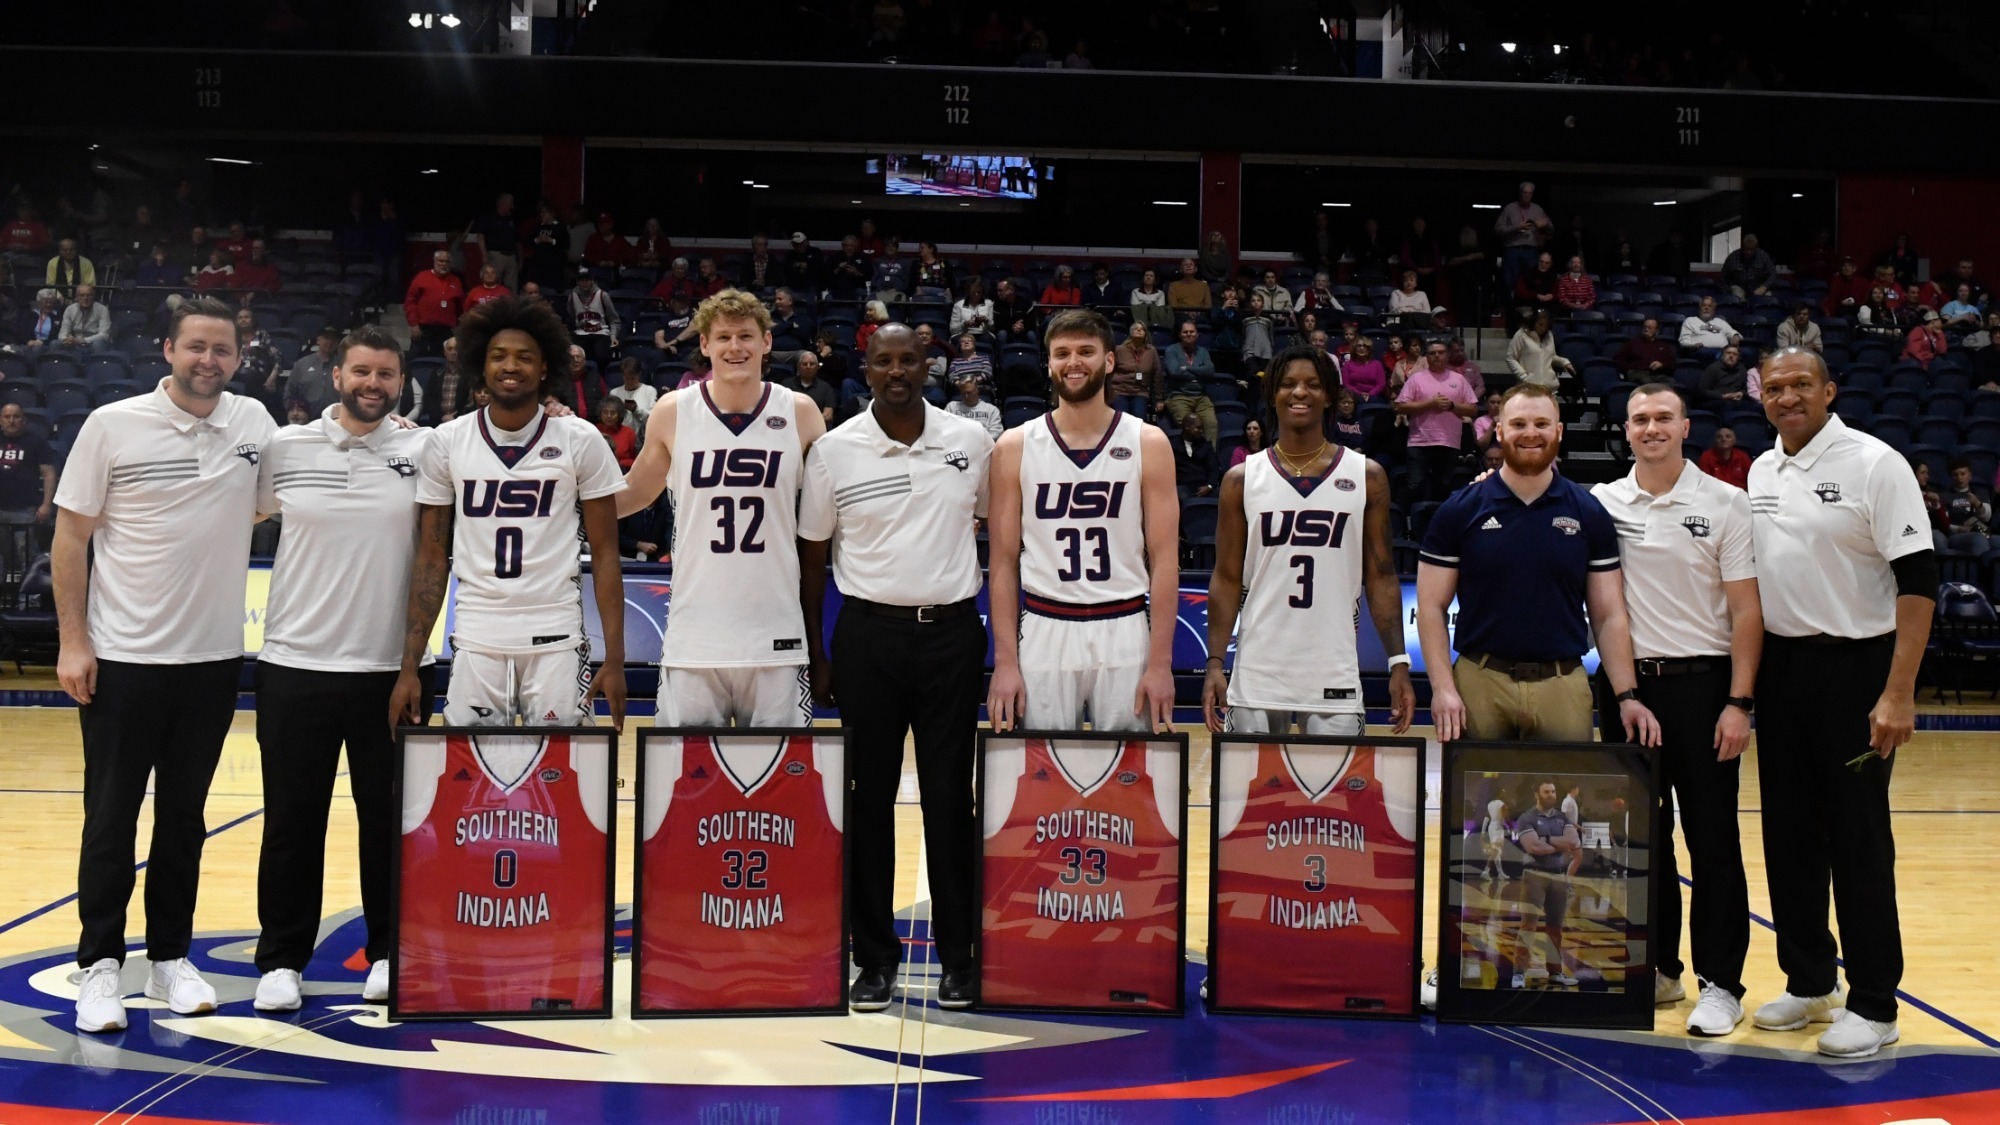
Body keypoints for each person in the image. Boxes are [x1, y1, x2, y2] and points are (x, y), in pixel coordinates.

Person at [54, 298, 278, 1033]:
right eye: (195, 347)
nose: (208, 360)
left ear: (238, 358)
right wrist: (73, 641)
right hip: (122, 660)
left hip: (211, 661)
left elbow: (282, 491)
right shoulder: (112, 425)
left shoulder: (254, 425)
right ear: (167, 350)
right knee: (111, 819)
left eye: (222, 349)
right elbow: (70, 538)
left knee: (184, 819)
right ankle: (99, 966)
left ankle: (170, 959)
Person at [796, 324, 993, 1011]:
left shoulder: (971, 441)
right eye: (885, 360)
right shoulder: (833, 450)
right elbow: (812, 562)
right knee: (868, 799)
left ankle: (959, 958)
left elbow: (1000, 532)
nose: (898, 370)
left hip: (951, 637)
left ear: (930, 364)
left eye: (910, 358)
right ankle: (874, 959)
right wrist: (817, 652)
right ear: (867, 368)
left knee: (951, 799)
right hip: (867, 638)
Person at [1747, 347, 1935, 1059]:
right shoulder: (1762, 469)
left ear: (1829, 390)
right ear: (1761, 396)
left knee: (1857, 837)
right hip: (1784, 668)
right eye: (1775, 387)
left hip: (1858, 669)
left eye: (1801, 384)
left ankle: (1876, 1003)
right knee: (1789, 834)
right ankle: (1810, 980)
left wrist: (1898, 689)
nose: (1788, 396)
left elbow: (1919, 583)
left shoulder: (1876, 463)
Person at [248, 326, 437, 1012]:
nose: (372, 384)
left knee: (389, 823)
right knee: (291, 822)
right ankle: (282, 959)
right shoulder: (285, 448)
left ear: (402, 383)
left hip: (392, 670)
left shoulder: (426, 448)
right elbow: (233, 515)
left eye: (386, 374)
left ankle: (388, 951)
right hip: (294, 664)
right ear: (336, 375)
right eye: (361, 371)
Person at [1591, 383, 1761, 1034]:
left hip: (1705, 687)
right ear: (1626, 429)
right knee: (1640, 838)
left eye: (1664, 417)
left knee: (1712, 838)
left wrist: (1739, 702)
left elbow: (1747, 611)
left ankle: (1722, 983)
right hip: (1628, 689)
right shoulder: (1603, 502)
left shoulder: (1726, 502)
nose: (1652, 427)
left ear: (1686, 427)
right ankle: (1657, 968)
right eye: (1640, 419)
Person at [390, 294, 628, 730]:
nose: (511, 366)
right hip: (477, 637)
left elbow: (606, 553)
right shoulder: (447, 441)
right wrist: (410, 665)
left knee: (565, 771)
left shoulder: (579, 439)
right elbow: (431, 558)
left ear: (545, 367)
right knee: (470, 772)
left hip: (557, 638)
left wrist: (615, 658)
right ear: (481, 365)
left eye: (525, 357)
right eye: (498, 356)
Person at [615, 289, 826, 726]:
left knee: (781, 769)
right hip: (696, 632)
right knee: (684, 767)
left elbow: (831, 507)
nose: (735, 347)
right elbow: (633, 495)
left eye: (746, 335)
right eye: (723, 337)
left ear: (766, 342)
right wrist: (564, 491)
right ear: (705, 344)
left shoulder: (800, 412)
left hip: (776, 631)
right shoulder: (674, 410)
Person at [1415, 384, 1659, 745]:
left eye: (1542, 424)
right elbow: (1431, 608)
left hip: (1563, 683)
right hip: (1479, 682)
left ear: (1558, 431)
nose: (1530, 433)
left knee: (1564, 785)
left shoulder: (1588, 512)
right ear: (1500, 431)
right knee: (1476, 785)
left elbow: (1608, 615)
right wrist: (1442, 688)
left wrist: (1627, 696)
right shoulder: (1459, 510)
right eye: (1519, 424)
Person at [1202, 343, 1416, 736]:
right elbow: (1227, 578)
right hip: (1257, 672)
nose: (1300, 392)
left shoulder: (1366, 476)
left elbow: (1382, 577)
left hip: (1333, 669)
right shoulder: (1241, 479)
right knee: (1250, 778)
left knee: (1333, 778)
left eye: (1313, 384)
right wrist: (1215, 661)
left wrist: (1398, 662)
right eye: (1288, 384)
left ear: (1330, 396)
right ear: (1272, 394)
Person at [986, 308, 1178, 732]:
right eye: (1062, 353)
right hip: (1044, 625)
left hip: (1125, 625)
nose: (1073, 362)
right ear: (1049, 364)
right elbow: (1002, 563)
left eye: (1086, 352)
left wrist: (1161, 663)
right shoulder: (1015, 445)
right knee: (1042, 767)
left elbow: (1165, 560)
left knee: (1129, 767)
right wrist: (1005, 662)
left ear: (1109, 361)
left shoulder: (1147, 441)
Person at [1512, 781, 1584, 987]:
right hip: (1534, 875)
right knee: (1528, 926)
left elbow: (1572, 841)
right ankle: (1519, 973)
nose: (1551, 795)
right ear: (1537, 794)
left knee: (1555, 928)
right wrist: (1559, 845)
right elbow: (1533, 847)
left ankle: (1555, 972)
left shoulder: (1562, 817)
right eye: (1546, 792)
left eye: (1553, 791)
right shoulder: (1527, 818)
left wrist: (1546, 839)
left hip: (1558, 877)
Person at [1396, 340, 1479, 502]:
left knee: (1444, 487)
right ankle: (1414, 518)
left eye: (1441, 352)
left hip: (1449, 442)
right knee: (1415, 486)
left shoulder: (1459, 379)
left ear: (1447, 356)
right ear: (1426, 357)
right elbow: (1401, 407)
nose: (1437, 356)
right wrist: (1430, 404)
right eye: (1432, 353)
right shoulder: (1416, 379)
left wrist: (1452, 406)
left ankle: (1440, 518)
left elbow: (1473, 409)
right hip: (1419, 442)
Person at [0, 402, 56, 582]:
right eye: (7, 417)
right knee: (2, 557)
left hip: (25, 509)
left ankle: (31, 594)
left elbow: (48, 474)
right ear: (0, 420)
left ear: (24, 420)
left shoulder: (36, 442)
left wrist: (46, 504)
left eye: (16, 416)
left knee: (27, 554)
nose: (11, 420)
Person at [1160, 321, 1219, 443]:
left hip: (1201, 397)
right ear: (1180, 335)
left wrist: (1187, 368)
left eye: (1192, 332)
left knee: (1211, 424)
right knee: (1189, 428)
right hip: (1179, 396)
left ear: (1197, 334)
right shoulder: (1171, 350)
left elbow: (1210, 371)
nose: (1189, 334)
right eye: (1185, 332)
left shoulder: (1203, 352)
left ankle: (1209, 453)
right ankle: (1189, 453)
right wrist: (1199, 372)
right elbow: (1175, 372)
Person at [404, 249, 465, 359]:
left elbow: (460, 307)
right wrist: (414, 324)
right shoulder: (421, 277)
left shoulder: (456, 281)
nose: (444, 264)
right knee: (417, 359)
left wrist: (459, 327)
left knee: (444, 362)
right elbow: (410, 302)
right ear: (434, 261)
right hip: (423, 329)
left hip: (447, 330)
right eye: (441, 261)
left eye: (447, 262)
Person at [1496, 181, 1552, 294]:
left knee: (1531, 281)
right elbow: (1497, 229)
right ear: (1520, 193)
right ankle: (1510, 303)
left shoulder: (1538, 209)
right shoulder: (1509, 209)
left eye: (1529, 193)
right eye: (1525, 192)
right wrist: (1516, 228)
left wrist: (1545, 225)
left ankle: (1529, 302)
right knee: (1509, 281)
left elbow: (1551, 229)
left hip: (1531, 250)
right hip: (1513, 249)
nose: (1527, 195)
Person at [568, 269, 621, 371]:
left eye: (587, 280)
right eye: (582, 280)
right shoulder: (572, 296)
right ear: (577, 281)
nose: (585, 283)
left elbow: (614, 319)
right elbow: (571, 314)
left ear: (592, 280)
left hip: (600, 332)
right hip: (580, 333)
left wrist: (613, 336)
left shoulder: (603, 295)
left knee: (602, 355)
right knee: (574, 355)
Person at [1507, 309, 1573, 391]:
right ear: (1533, 322)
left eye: (1546, 325)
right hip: (1528, 388)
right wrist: (1524, 376)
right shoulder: (1521, 335)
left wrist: (1564, 362)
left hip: (1549, 388)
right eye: (1540, 324)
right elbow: (1511, 358)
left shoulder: (1549, 335)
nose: (1543, 328)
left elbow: (1549, 356)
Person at [287, 325, 342, 418]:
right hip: (308, 419)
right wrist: (295, 412)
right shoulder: (302, 364)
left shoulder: (343, 364)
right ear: (318, 340)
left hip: (337, 418)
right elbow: (289, 392)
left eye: (333, 339)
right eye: (326, 338)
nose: (329, 342)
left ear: (337, 342)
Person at [1942, 456, 1992, 554]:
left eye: (1963, 474)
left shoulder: (1979, 493)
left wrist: (1977, 503)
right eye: (1955, 475)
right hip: (1956, 535)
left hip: (1981, 531)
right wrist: (1958, 529)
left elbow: (1987, 518)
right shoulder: (1944, 496)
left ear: (1970, 475)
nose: (1959, 478)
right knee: (1978, 540)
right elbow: (1942, 522)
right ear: (1951, 477)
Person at [474, 192, 520, 290]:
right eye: (510, 204)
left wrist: (520, 259)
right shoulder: (489, 218)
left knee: (511, 287)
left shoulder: (512, 220)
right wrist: (484, 255)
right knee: (492, 283)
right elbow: (480, 236)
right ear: (503, 203)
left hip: (511, 257)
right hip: (496, 256)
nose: (512, 207)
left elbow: (517, 241)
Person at [1679, 296, 1742, 361]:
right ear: (1699, 309)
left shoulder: (1720, 322)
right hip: (1700, 350)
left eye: (1710, 306)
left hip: (1723, 350)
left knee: (1746, 352)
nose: (1706, 308)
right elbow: (1683, 341)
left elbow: (1734, 333)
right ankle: (1724, 358)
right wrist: (1693, 345)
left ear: (1714, 310)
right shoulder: (1690, 320)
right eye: (1704, 305)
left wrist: (1736, 336)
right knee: (1706, 352)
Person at [54, 283, 111, 354]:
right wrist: (67, 339)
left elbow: (104, 335)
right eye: (82, 295)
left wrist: (83, 340)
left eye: (89, 295)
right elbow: (63, 333)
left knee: (98, 344)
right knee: (55, 343)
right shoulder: (70, 309)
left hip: (93, 343)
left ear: (93, 296)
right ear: (77, 297)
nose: (85, 298)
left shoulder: (102, 309)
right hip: (74, 344)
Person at [1617, 317, 1678, 382]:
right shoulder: (1633, 343)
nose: (1646, 329)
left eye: (1650, 327)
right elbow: (1619, 357)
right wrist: (1628, 370)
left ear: (1657, 330)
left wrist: (1662, 364)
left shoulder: (1663, 345)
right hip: (1638, 373)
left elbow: (1671, 361)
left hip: (1657, 374)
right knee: (1646, 380)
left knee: (1671, 382)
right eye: (1645, 327)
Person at [608, 356, 657, 431]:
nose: (630, 382)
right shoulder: (614, 393)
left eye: (633, 378)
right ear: (623, 376)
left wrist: (636, 410)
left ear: (639, 374)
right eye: (627, 378)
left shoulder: (650, 391)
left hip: (643, 434)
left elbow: (652, 418)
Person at [946, 373, 1002, 439]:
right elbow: (944, 428)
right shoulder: (951, 407)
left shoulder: (991, 410)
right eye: (963, 393)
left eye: (969, 393)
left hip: (983, 442)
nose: (966, 396)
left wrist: (976, 440)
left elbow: (996, 432)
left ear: (977, 390)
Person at [1697, 345, 1752, 409]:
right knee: (1727, 404)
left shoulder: (1742, 369)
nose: (1731, 356)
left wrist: (1741, 393)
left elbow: (1746, 388)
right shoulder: (1713, 368)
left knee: (1750, 406)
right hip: (1715, 400)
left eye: (1734, 354)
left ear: (1738, 358)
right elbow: (1702, 391)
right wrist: (1723, 396)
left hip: (1734, 400)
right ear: (1722, 355)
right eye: (1728, 353)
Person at [1722, 235, 1776, 299]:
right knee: (1737, 297)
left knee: (1768, 298)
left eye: (1752, 249)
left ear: (1756, 248)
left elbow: (1773, 274)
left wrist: (1764, 286)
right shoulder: (1733, 257)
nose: (1749, 252)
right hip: (1739, 287)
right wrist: (1728, 290)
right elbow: (1723, 276)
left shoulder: (1763, 256)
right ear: (1742, 247)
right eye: (1746, 249)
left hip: (1758, 286)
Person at [1699, 426, 1752, 490]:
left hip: (1740, 494)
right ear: (1715, 441)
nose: (1723, 439)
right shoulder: (1706, 457)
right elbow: (1705, 484)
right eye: (1719, 437)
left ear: (1734, 440)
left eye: (1728, 437)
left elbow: (1752, 480)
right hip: (1716, 494)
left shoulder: (1743, 457)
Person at [595, 395, 638, 469]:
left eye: (613, 413)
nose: (609, 416)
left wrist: (619, 463)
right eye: (605, 412)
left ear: (619, 415)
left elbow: (637, 460)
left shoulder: (629, 433)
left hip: (622, 472)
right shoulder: (594, 430)